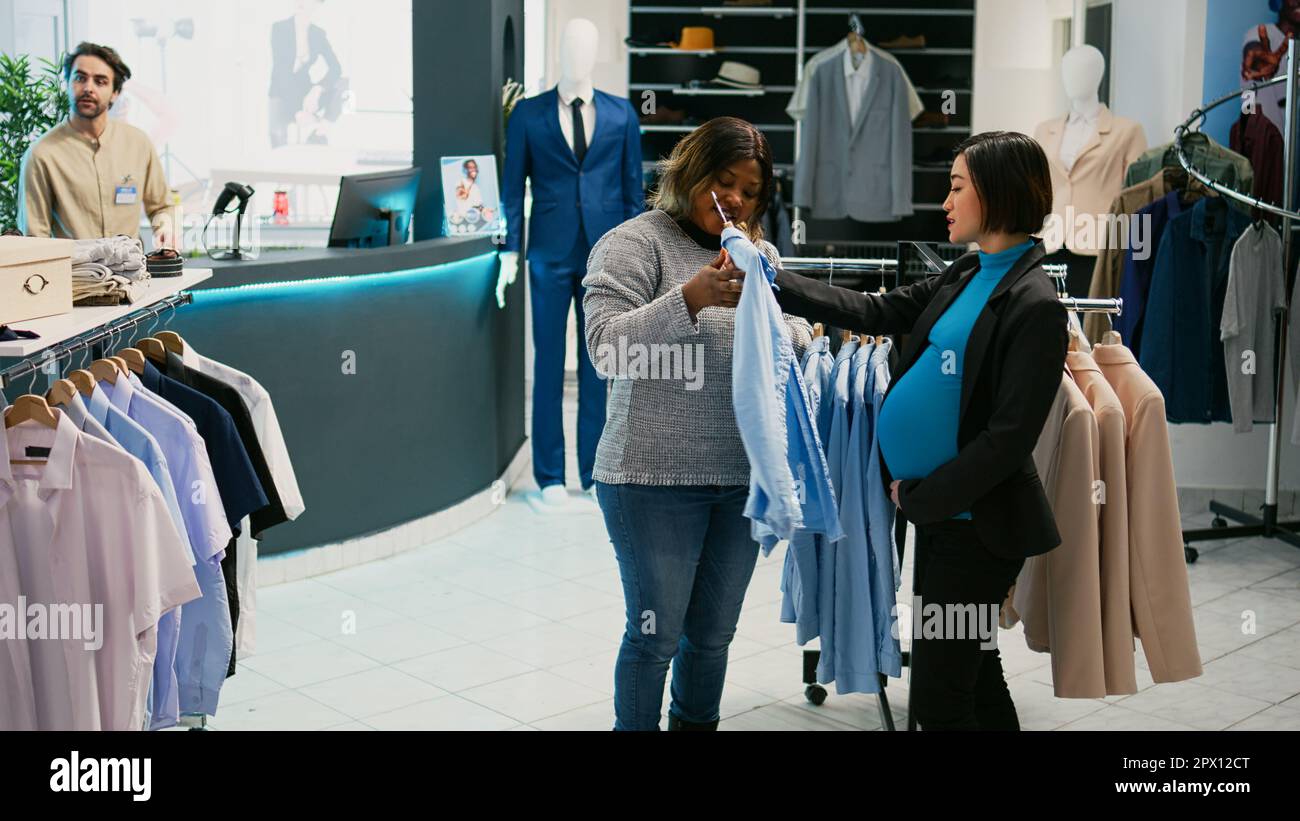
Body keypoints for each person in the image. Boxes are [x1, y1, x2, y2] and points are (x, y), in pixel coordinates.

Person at [770, 131, 1068, 730]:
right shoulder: (968, 272)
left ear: (998, 194)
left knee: (939, 697)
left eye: (957, 186)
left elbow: (1007, 440)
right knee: (976, 674)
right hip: (942, 522)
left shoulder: (1035, 304)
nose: (945, 201)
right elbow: (878, 311)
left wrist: (924, 499)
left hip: (975, 529)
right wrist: (776, 281)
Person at [582, 117, 812, 730]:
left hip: (739, 478)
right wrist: (690, 296)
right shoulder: (632, 244)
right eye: (723, 178)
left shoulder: (758, 254)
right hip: (649, 479)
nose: (734, 197)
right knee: (655, 636)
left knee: (712, 638)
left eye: (750, 189)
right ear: (692, 170)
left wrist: (800, 334)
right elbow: (606, 350)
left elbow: (778, 337)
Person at [18, 42, 173, 247]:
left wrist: (164, 229)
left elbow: (162, 207)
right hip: (75, 276)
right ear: (68, 83)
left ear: (115, 92)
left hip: (133, 275)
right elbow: (34, 237)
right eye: (80, 78)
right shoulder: (42, 154)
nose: (88, 88)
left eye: (100, 81)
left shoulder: (138, 144)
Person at [269, 0, 344, 148]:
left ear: (317, 5)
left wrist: (317, 90)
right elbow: (281, 72)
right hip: (282, 93)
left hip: (306, 92)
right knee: (277, 139)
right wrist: (298, 111)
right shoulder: (279, 29)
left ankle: (319, 130)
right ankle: (313, 126)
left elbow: (336, 68)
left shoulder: (318, 34)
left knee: (344, 88)